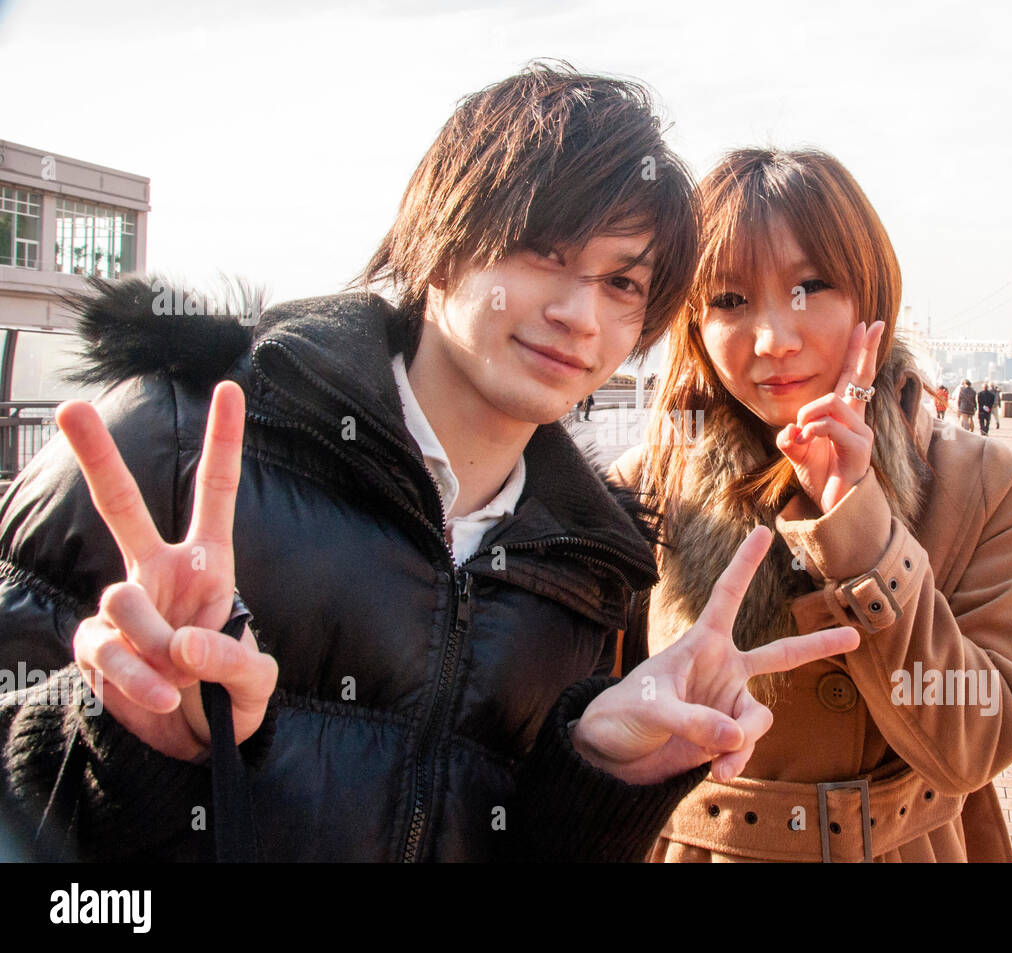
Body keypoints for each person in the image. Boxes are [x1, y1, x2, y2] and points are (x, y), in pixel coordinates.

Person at [0, 64, 857, 863]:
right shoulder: (180, 440)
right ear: (443, 247)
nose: (577, 314)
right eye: (545, 254)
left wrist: (604, 772)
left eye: (622, 285)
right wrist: (124, 735)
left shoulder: (589, 571)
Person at [610, 149, 1012, 862]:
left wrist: (859, 526)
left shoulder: (980, 485)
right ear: (692, 323)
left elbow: (980, 742)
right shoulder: (649, 484)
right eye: (728, 300)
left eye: (810, 286)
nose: (775, 339)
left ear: (871, 296)